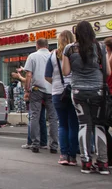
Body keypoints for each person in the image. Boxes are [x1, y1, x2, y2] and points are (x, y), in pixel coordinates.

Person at [63, 21, 109, 174]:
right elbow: (108, 72)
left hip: (78, 91)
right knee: (99, 125)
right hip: (97, 90)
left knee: (84, 125)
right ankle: (102, 162)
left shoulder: (69, 49)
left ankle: (86, 161)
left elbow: (66, 72)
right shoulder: (100, 47)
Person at [45, 30, 79, 166]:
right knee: (73, 124)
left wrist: (57, 84)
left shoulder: (52, 55)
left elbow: (47, 76)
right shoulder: (76, 53)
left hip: (58, 93)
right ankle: (72, 156)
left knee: (63, 125)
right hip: (75, 91)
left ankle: (63, 155)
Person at [24, 38, 58, 154]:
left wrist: (27, 90)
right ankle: (54, 145)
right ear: (47, 46)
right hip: (52, 89)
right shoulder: (53, 55)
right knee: (53, 118)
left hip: (37, 89)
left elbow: (29, 75)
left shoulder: (32, 56)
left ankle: (35, 144)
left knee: (35, 116)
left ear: (37, 45)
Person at [12, 68, 48, 150]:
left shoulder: (33, 71)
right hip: (45, 94)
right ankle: (43, 142)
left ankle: (31, 142)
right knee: (42, 119)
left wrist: (20, 78)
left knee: (33, 118)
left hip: (35, 94)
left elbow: (29, 80)